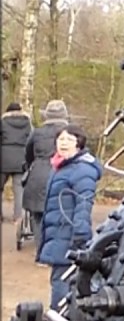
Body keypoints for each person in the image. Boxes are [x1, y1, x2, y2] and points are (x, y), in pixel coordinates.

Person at [36, 123, 101, 308]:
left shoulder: (82, 170)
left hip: (69, 235)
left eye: (69, 140)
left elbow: (84, 204)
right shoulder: (60, 166)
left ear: (78, 144)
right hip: (57, 232)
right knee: (60, 279)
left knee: (61, 282)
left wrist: (80, 236)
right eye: (61, 139)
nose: (63, 143)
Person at [24, 99, 71, 247]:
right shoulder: (71, 133)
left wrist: (29, 166)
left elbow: (28, 154)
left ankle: (41, 248)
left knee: (37, 214)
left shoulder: (36, 133)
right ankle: (57, 247)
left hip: (38, 175)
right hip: (64, 172)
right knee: (61, 212)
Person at [1, 102, 32, 222]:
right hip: (21, 158)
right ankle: (18, 216)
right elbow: (30, 140)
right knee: (19, 190)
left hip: (4, 158)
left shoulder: (2, 122)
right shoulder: (27, 123)